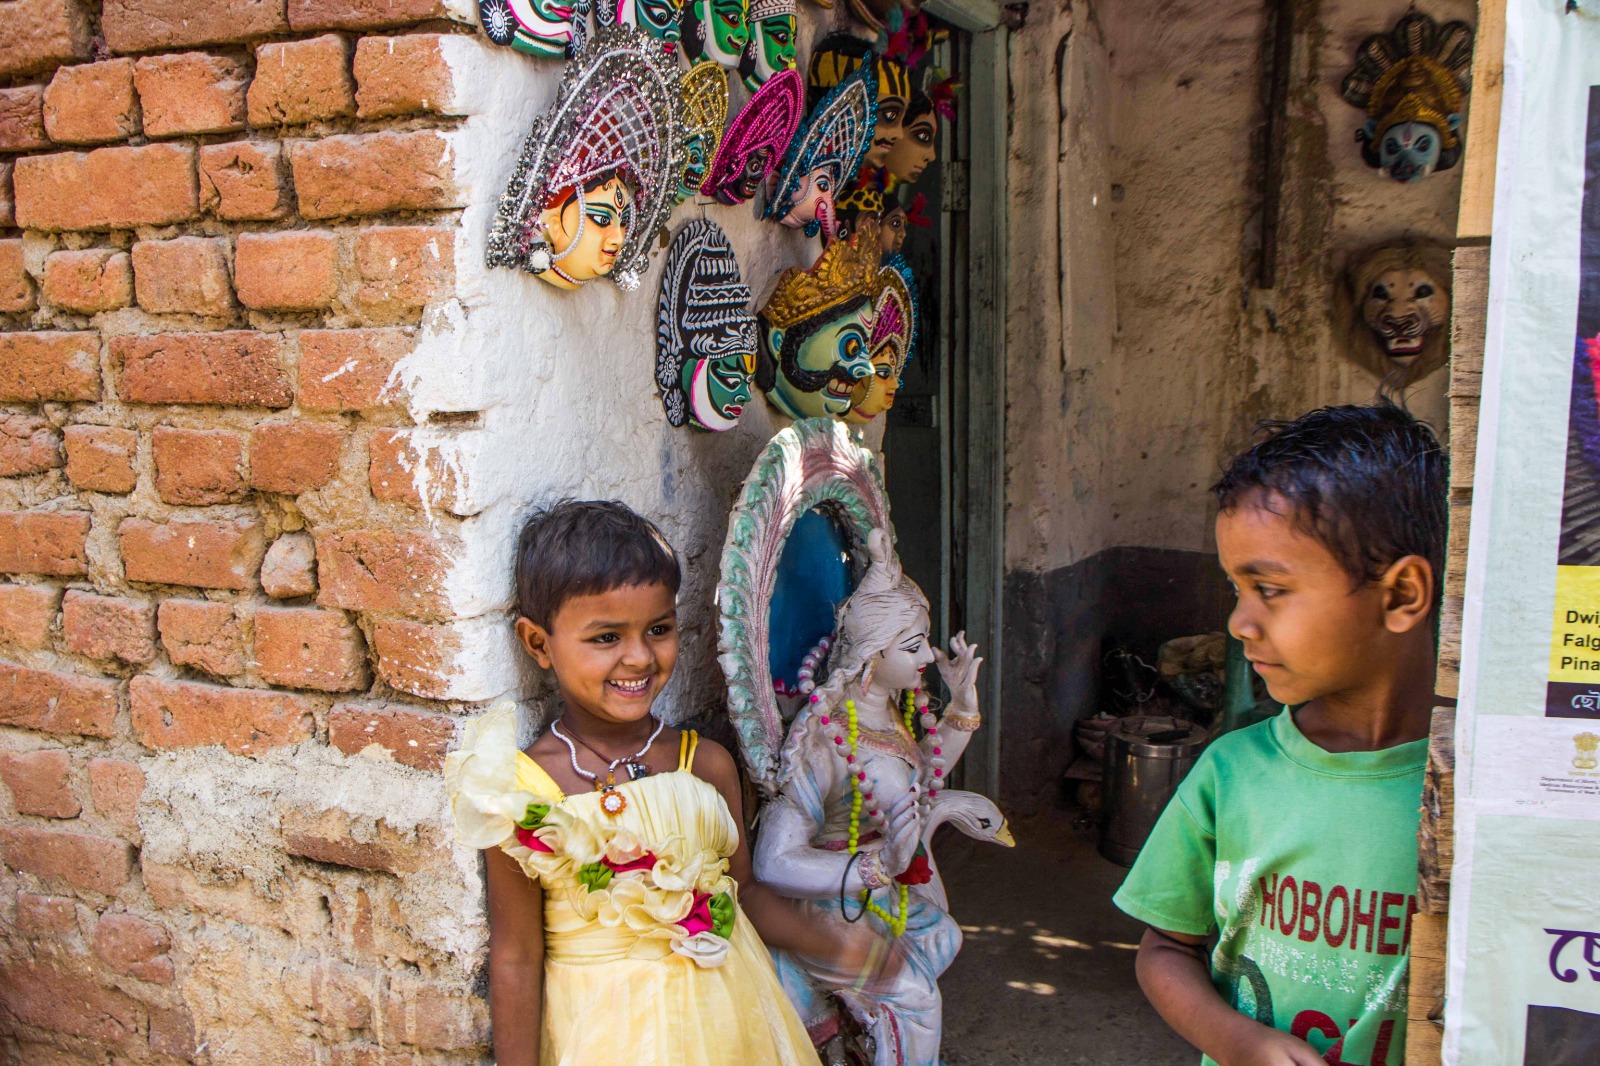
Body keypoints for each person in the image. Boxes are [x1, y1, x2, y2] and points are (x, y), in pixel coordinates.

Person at [445, 500, 895, 1066]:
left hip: (732, 1025)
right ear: (538, 643)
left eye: (658, 629)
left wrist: (830, 940)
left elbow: (745, 892)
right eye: (606, 637)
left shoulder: (704, 763)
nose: (639, 657)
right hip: (604, 1039)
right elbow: (515, 956)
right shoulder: (519, 792)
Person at [1114, 403, 1446, 1066]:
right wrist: (1237, 1040)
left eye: (1269, 588)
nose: (1239, 622)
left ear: (1402, 594)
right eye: (1237, 588)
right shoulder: (1231, 772)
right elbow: (1165, 949)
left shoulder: (1473, 792)